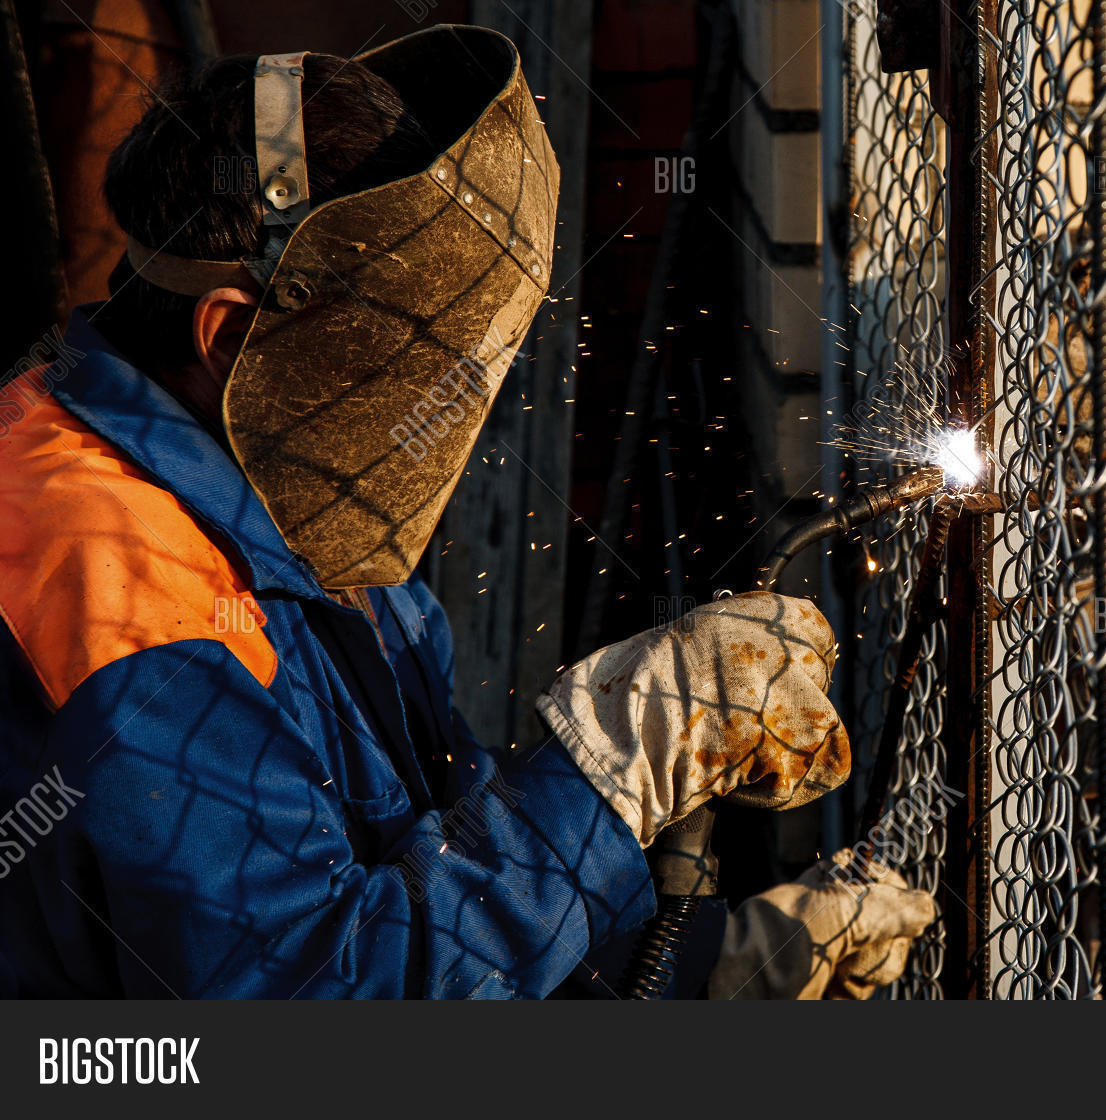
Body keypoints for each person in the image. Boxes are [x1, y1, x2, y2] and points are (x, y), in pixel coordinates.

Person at [0, 24, 934, 999]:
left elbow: (429, 851)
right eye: (402, 362)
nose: (434, 412)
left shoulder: (278, 492)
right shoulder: (104, 585)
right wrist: (611, 770)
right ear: (235, 335)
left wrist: (711, 963)